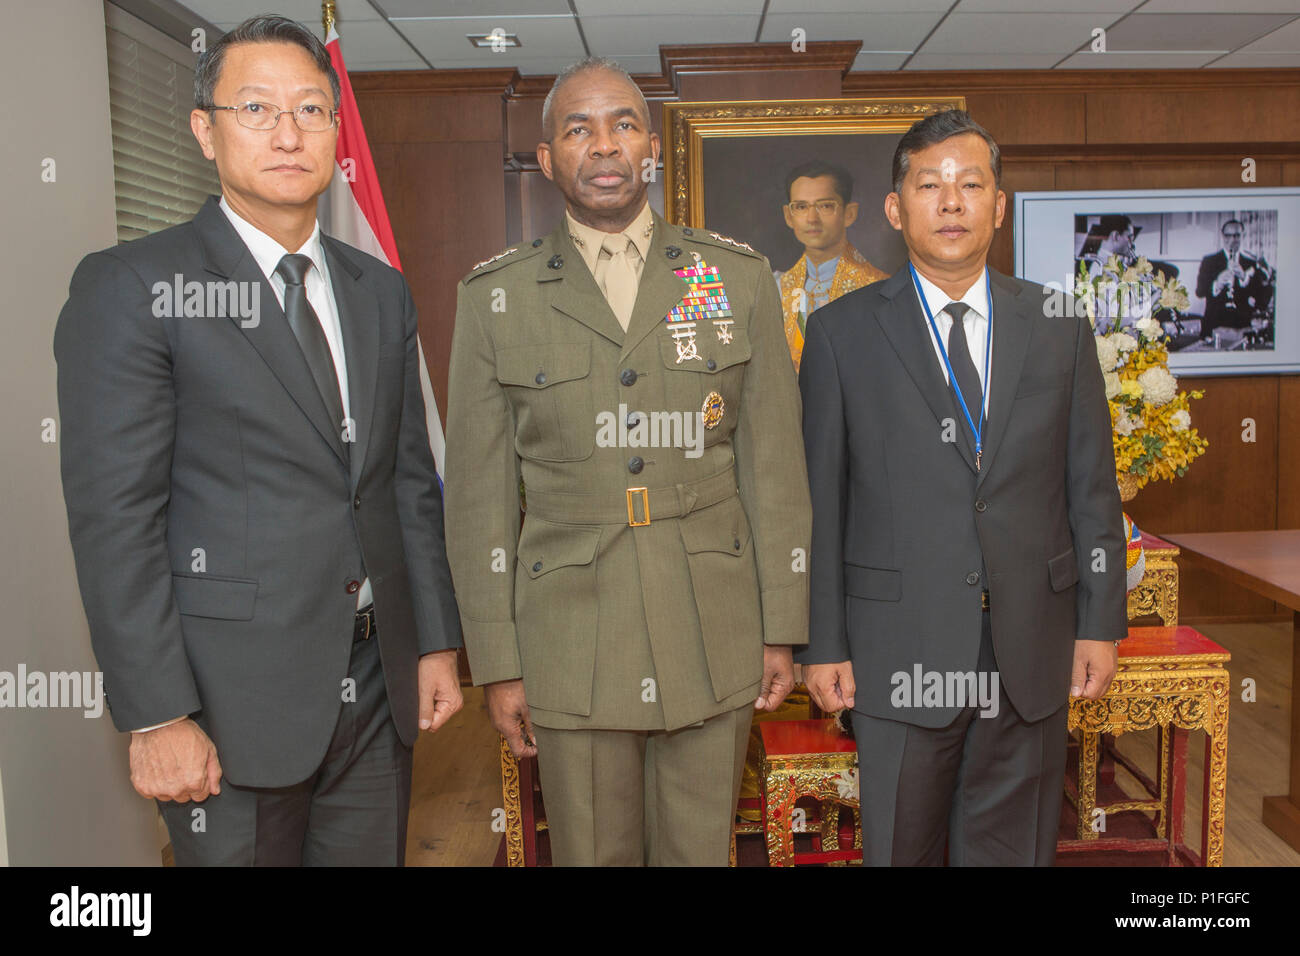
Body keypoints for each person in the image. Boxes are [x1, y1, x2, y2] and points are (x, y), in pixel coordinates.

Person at [54, 15, 462, 866]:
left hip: (375, 692)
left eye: (312, 111)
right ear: (205, 131)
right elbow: (114, 520)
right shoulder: (135, 287)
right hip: (226, 702)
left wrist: (431, 639)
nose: (288, 133)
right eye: (256, 108)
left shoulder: (379, 292)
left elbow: (405, 485)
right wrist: (157, 713)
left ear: (335, 132)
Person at [443, 56, 811, 866]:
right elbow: (477, 502)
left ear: (651, 148)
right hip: (571, 632)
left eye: (621, 125)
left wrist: (780, 625)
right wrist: (498, 664)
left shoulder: (736, 279)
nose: (602, 146)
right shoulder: (495, 298)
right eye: (578, 129)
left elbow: (775, 467)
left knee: (697, 851)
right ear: (547, 160)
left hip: (712, 620)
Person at [798, 109, 1126, 866]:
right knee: (899, 848)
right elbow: (819, 502)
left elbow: (1091, 488)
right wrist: (824, 643)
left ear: (998, 205)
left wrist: (1100, 621)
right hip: (894, 651)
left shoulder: (1057, 324)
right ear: (894, 207)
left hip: (1031, 649)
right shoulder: (842, 334)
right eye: (930, 185)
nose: (951, 202)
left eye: (970, 184)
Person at [776, 161, 887, 369]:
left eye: (825, 206)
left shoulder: (878, 287)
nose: (812, 218)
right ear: (788, 216)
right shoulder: (777, 288)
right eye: (801, 207)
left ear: (849, 213)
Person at [1196, 218, 1275, 344]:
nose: (1232, 240)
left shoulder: (1251, 263)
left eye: (1237, 236)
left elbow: (1261, 299)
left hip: (1242, 327)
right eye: (1228, 236)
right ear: (1222, 236)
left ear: (1242, 236)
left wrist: (1244, 278)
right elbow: (1199, 292)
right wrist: (1217, 284)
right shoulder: (1209, 261)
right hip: (1213, 326)